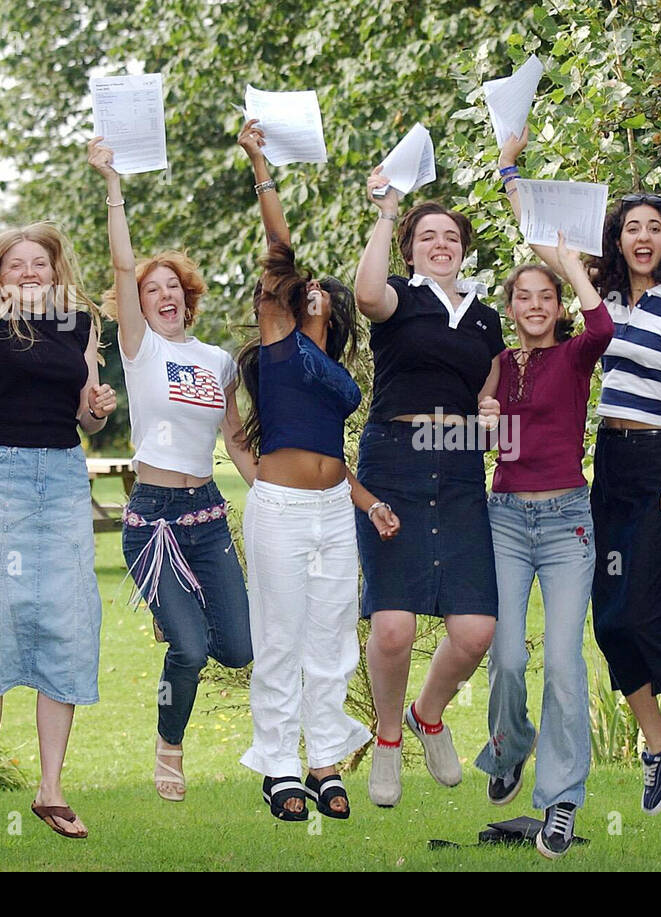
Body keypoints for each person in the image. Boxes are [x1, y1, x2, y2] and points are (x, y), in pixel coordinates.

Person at [497, 130, 661, 823]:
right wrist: (511, 170)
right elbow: (542, 239)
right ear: (617, 238)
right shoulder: (600, 299)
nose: (642, 237)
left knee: (651, 610)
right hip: (611, 467)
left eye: (654, 228)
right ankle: (655, 739)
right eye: (631, 227)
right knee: (608, 616)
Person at [0, 91, 113, 840]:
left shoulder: (79, 324)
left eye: (42, 261)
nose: (32, 269)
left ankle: (49, 787)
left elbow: (87, 413)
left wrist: (97, 407)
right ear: (0, 277)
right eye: (18, 263)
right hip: (3, 477)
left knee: (66, 623)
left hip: (64, 479)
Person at [232, 120, 399, 821]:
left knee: (332, 636)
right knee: (280, 636)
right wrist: (260, 162)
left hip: (335, 506)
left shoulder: (333, 368)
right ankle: (277, 766)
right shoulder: (277, 346)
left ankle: (324, 757)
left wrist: (368, 502)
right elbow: (278, 248)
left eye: (324, 296)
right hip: (280, 508)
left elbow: (337, 453)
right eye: (307, 291)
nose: (317, 295)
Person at [88, 137, 256, 805]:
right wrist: (113, 186)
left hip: (207, 516)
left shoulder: (217, 360)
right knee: (189, 651)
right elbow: (122, 264)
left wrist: (274, 486)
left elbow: (237, 440)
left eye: (170, 288)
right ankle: (169, 743)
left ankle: (175, 608)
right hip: (152, 519)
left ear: (187, 298)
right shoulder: (140, 349)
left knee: (238, 650)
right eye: (149, 289)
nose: (160, 294)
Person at [353, 168, 506, 809]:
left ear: (462, 248)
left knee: (475, 630)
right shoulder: (397, 297)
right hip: (396, 462)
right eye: (427, 235)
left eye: (450, 236)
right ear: (411, 246)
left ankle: (428, 714)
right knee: (391, 627)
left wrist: (492, 416)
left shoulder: (485, 318)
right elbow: (362, 297)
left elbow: (488, 394)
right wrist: (387, 211)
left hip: (461, 468)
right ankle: (389, 738)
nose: (440, 244)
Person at [471, 238, 612, 858]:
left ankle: (561, 801)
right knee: (503, 655)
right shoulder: (498, 362)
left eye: (545, 296)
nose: (534, 305)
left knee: (563, 662)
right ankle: (507, 749)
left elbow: (602, 321)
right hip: (503, 517)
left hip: (566, 524)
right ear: (511, 307)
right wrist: (479, 416)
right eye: (523, 297)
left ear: (559, 307)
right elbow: (476, 438)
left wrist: (568, 262)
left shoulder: (578, 355)